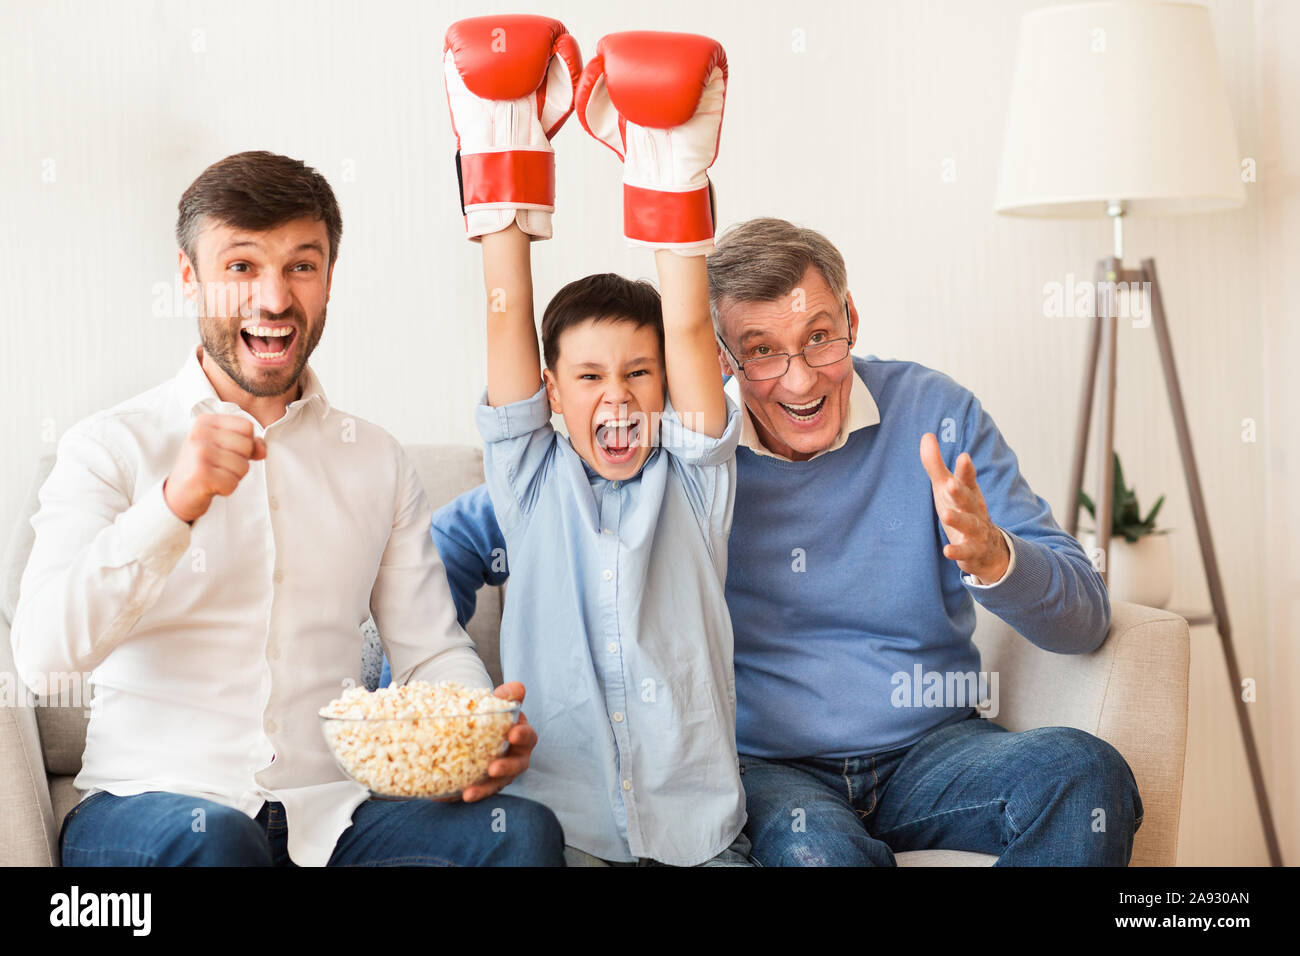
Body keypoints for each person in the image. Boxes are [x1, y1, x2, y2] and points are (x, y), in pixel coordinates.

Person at [430, 216, 1144, 866]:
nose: (799, 379)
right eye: (762, 351)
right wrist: (434, 689)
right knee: (815, 854)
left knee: (1085, 777)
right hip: (771, 768)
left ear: (852, 320)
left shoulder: (936, 415)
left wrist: (997, 560)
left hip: (934, 747)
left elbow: (1085, 619)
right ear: (719, 360)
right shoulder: (676, 457)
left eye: (819, 338)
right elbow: (466, 539)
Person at [10, 150, 563, 867]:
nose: (273, 300)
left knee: (522, 834)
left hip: (329, 817)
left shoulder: (376, 460)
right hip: (147, 809)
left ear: (328, 277)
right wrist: (172, 508)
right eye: (241, 267)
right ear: (189, 279)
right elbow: (41, 654)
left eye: (301, 265)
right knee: (218, 843)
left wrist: (476, 728)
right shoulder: (109, 447)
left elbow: (429, 648)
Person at [441, 16, 749, 866]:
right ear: (551, 394)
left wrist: (669, 162)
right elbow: (506, 309)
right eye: (588, 377)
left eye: (639, 374)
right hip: (564, 834)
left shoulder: (694, 482)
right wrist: (498, 138)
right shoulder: (530, 479)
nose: (616, 396)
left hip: (698, 839)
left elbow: (687, 323)